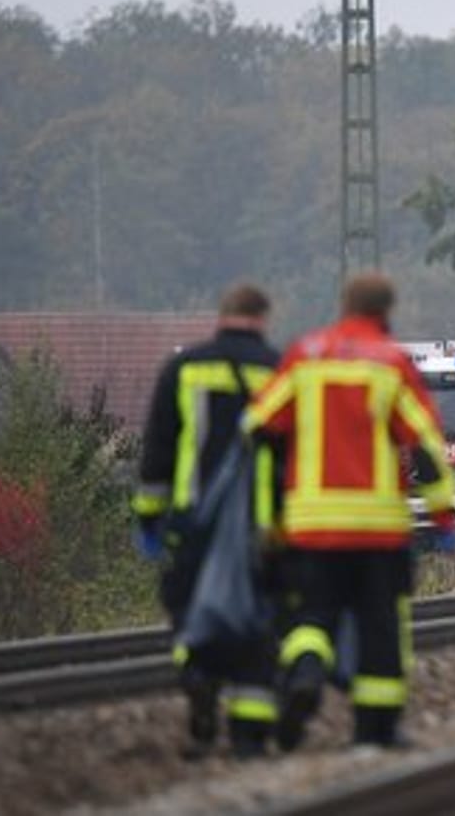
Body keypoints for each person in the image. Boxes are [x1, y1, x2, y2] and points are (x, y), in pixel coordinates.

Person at [242, 273, 455, 751]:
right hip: (377, 530)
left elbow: (258, 424)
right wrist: (444, 514)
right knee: (380, 626)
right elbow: (424, 444)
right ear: (386, 311)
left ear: (343, 305)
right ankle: (374, 730)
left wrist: (272, 500)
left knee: (311, 617)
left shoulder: (304, 355)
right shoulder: (392, 363)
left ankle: (305, 671)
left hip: (311, 526)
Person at [134, 282, 282, 759]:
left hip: (193, 522)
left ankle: (197, 677)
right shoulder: (280, 372)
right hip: (262, 528)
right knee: (258, 622)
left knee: (190, 608)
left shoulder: (184, 368)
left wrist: (150, 520)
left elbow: (159, 449)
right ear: (264, 317)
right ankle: (248, 733)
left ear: (222, 314)